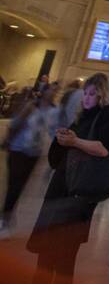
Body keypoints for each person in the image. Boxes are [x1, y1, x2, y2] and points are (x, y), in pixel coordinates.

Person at [21, 73, 109, 284]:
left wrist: (75, 142)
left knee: (62, 267)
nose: (86, 99)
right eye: (84, 94)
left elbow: (103, 149)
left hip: (78, 200)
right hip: (58, 193)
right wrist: (61, 140)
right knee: (43, 263)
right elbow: (56, 160)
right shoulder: (78, 118)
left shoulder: (107, 115)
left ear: (101, 95)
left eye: (91, 95)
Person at [0, 83, 58, 237]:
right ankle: (5, 217)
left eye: (55, 91)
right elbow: (15, 124)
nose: (53, 93)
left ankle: (7, 215)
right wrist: (7, 140)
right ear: (44, 91)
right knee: (14, 184)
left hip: (34, 153)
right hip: (18, 149)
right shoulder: (31, 107)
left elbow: (54, 131)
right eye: (51, 89)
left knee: (19, 186)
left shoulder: (53, 111)